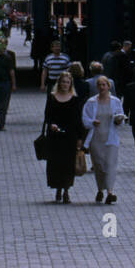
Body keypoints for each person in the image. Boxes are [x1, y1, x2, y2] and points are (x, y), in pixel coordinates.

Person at [82, 76, 125, 205]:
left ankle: (110, 192)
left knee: (110, 165)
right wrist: (92, 122)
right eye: (99, 85)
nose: (101, 87)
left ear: (108, 86)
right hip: (96, 138)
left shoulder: (115, 101)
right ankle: (100, 189)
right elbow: (85, 119)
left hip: (111, 138)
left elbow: (121, 117)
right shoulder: (91, 102)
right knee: (99, 165)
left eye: (104, 85)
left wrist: (119, 120)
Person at [42, 71, 84, 204]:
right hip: (55, 136)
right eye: (63, 82)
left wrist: (80, 138)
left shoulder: (75, 99)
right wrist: (51, 124)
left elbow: (78, 120)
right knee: (55, 163)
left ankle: (66, 190)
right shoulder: (52, 97)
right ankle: (57, 188)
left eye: (67, 82)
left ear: (70, 84)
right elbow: (47, 115)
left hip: (69, 136)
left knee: (68, 164)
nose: (65, 84)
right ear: (59, 83)